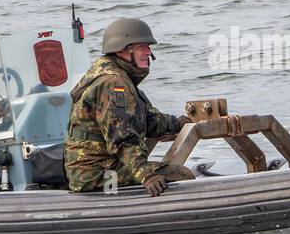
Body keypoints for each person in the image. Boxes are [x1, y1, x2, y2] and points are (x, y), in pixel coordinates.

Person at [65, 18, 194, 196]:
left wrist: (179, 124)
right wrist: (146, 175)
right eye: (143, 47)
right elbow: (123, 140)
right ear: (122, 50)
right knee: (180, 174)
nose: (149, 52)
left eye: (149, 47)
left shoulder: (113, 74)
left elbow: (146, 119)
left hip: (95, 166)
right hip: (95, 174)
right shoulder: (114, 83)